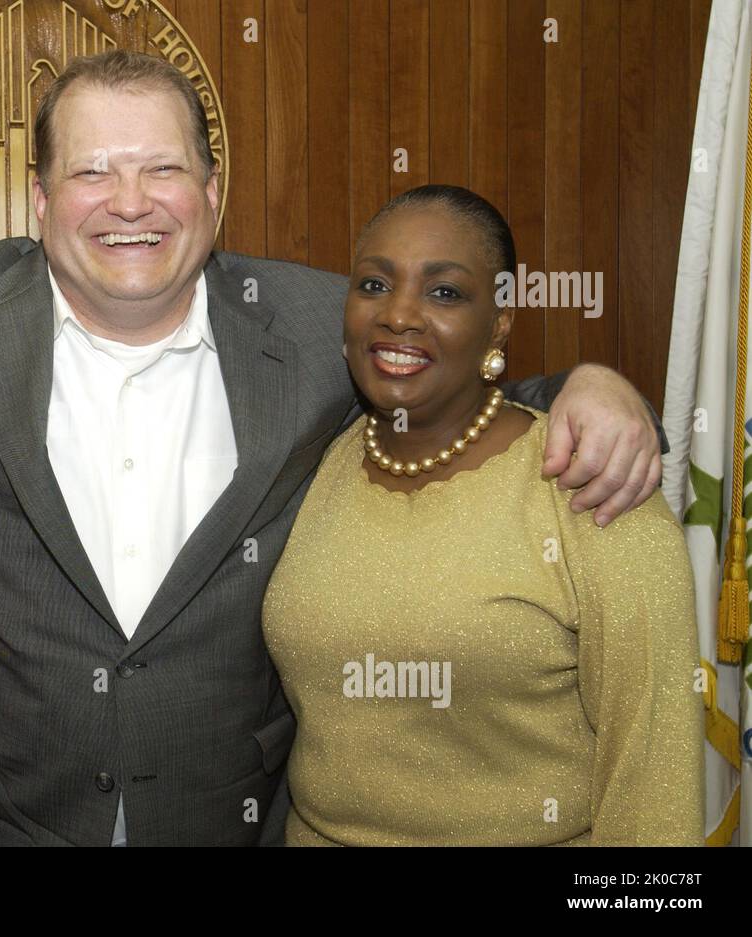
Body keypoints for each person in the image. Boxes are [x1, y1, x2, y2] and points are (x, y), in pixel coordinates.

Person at [0, 52, 666, 846]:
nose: (128, 203)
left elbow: (444, 375)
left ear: (213, 193)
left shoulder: (309, 324)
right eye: (92, 173)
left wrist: (590, 387)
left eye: (163, 169)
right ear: (36, 202)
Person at [263, 185, 704, 846]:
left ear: (499, 323)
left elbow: (654, 785)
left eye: (445, 293)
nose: (400, 315)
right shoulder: (314, 458)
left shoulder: (596, 485)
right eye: (375, 284)